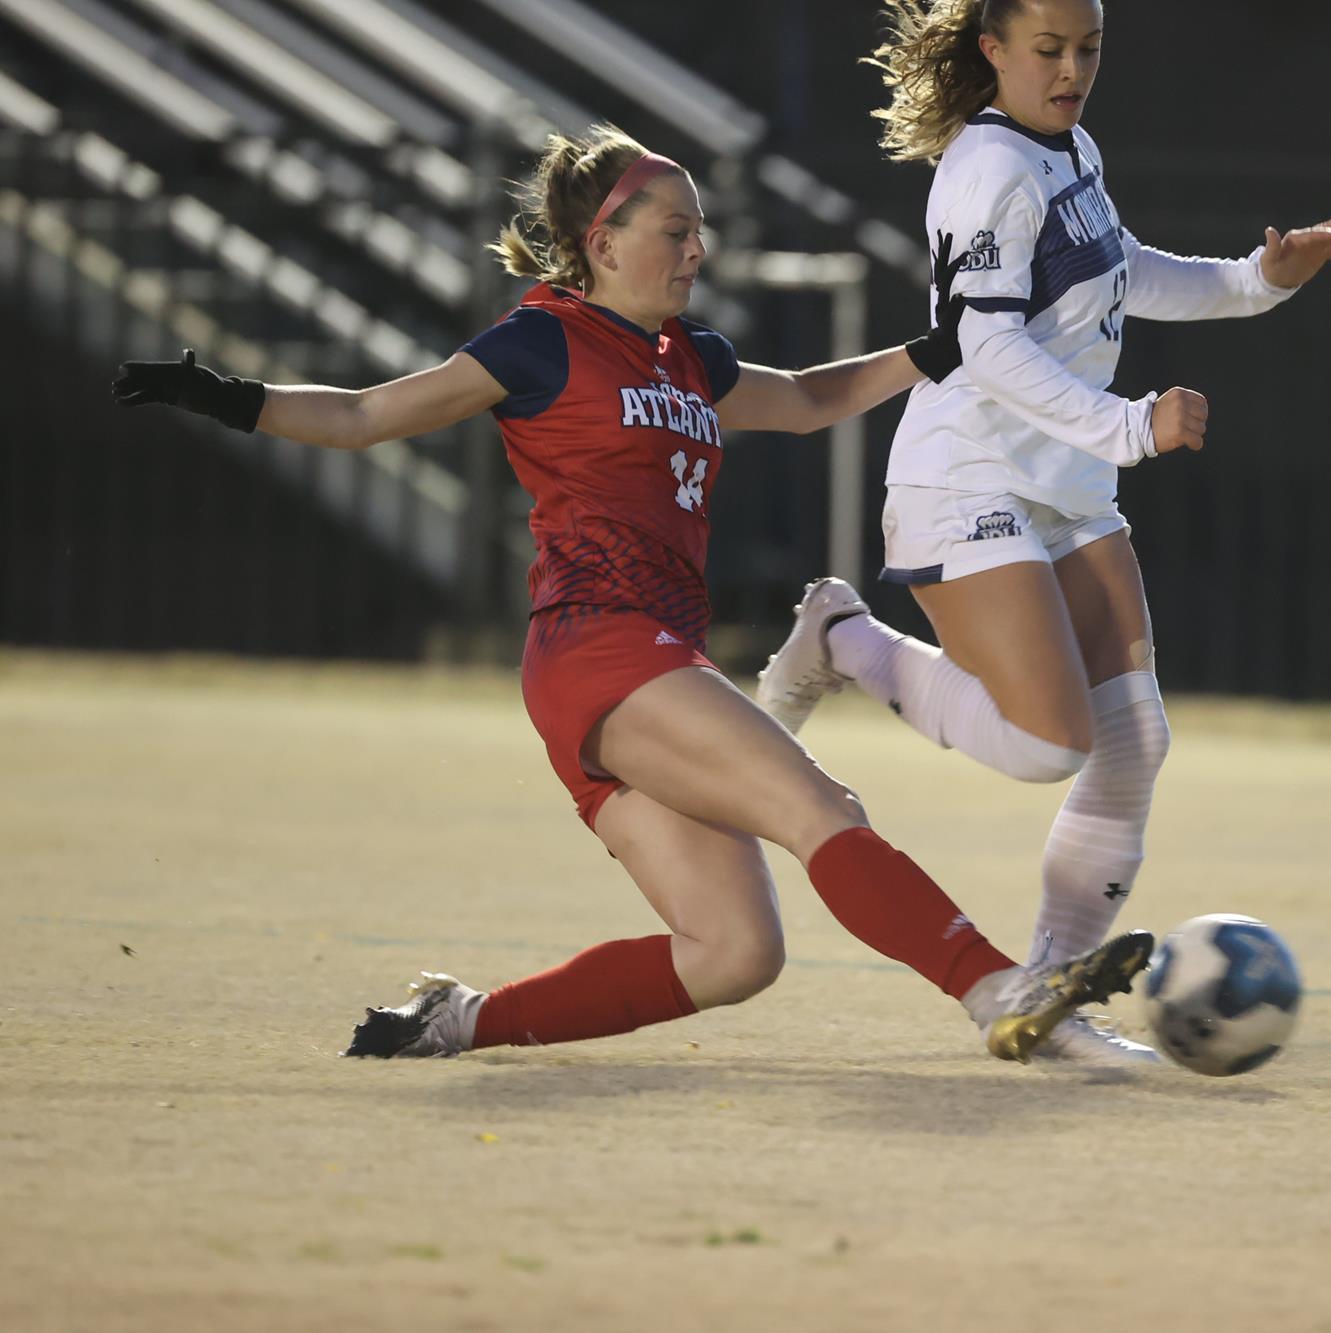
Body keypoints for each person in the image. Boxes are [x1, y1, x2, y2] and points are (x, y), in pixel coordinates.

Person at [111, 124, 1151, 1063]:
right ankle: (1000, 992)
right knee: (819, 807)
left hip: (647, 660)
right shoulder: (541, 340)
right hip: (597, 647)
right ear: (603, 241)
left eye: (699, 230)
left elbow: (802, 402)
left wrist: (929, 353)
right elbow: (364, 417)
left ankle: (454, 1021)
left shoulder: (688, 353)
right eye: (676, 228)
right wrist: (223, 395)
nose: (696, 248)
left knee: (734, 952)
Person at [756, 0, 1331, 1065]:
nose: (1072, 69)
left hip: (1061, 479)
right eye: (1048, 50)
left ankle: (1047, 993)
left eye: (1088, 49)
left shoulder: (1068, 146)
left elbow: (1121, 269)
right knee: (1048, 745)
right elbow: (983, 347)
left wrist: (1256, 283)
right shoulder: (985, 167)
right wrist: (1128, 425)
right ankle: (842, 638)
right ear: (991, 50)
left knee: (1132, 747)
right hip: (966, 473)